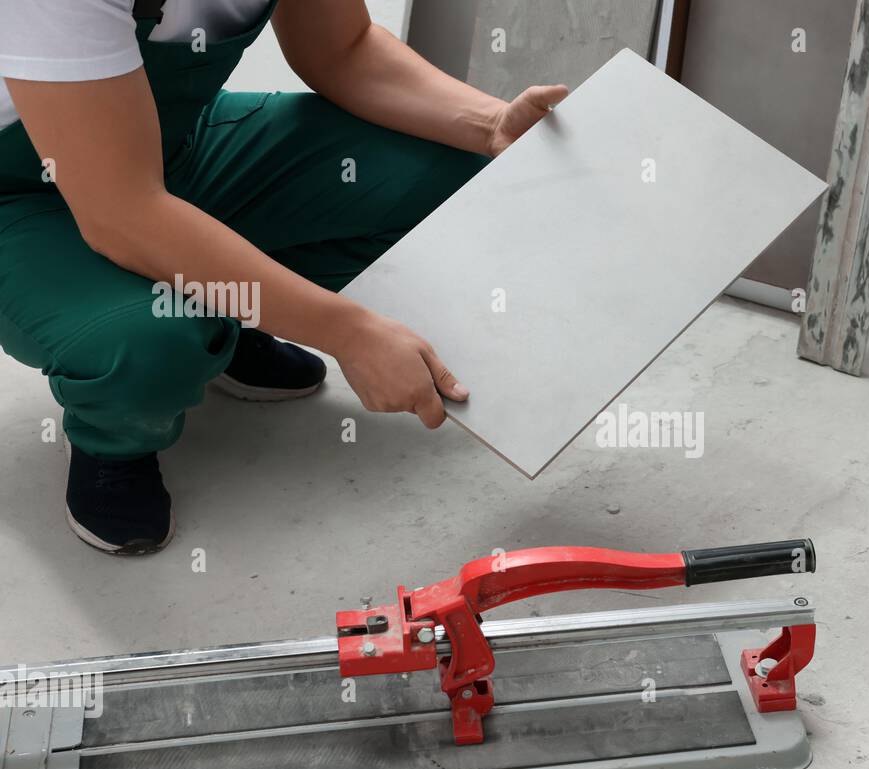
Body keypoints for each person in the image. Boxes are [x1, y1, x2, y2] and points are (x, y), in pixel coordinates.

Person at [0, 0, 566, 554]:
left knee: (456, 184)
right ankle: (114, 444)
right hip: (21, 199)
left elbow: (344, 50)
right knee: (150, 343)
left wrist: (490, 125)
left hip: (165, 151)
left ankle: (226, 318)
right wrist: (347, 332)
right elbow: (121, 215)